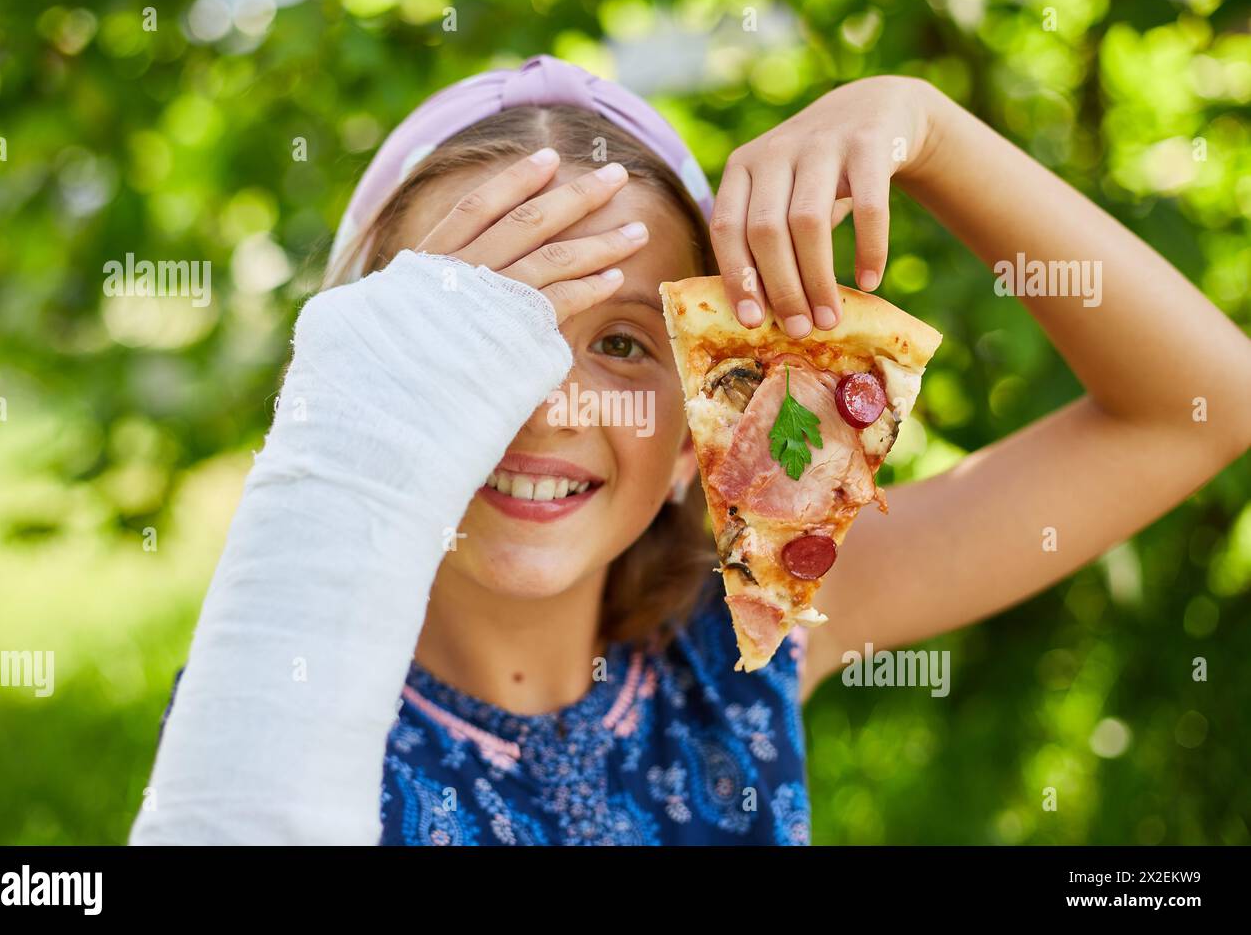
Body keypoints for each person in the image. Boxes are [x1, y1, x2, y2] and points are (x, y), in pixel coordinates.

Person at [130, 56, 1251, 846]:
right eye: (475, 330)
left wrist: (930, 129)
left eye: (621, 343)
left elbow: (1200, 405)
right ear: (369, 377)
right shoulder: (280, 691)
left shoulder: (742, 638)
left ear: (698, 425)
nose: (547, 408)